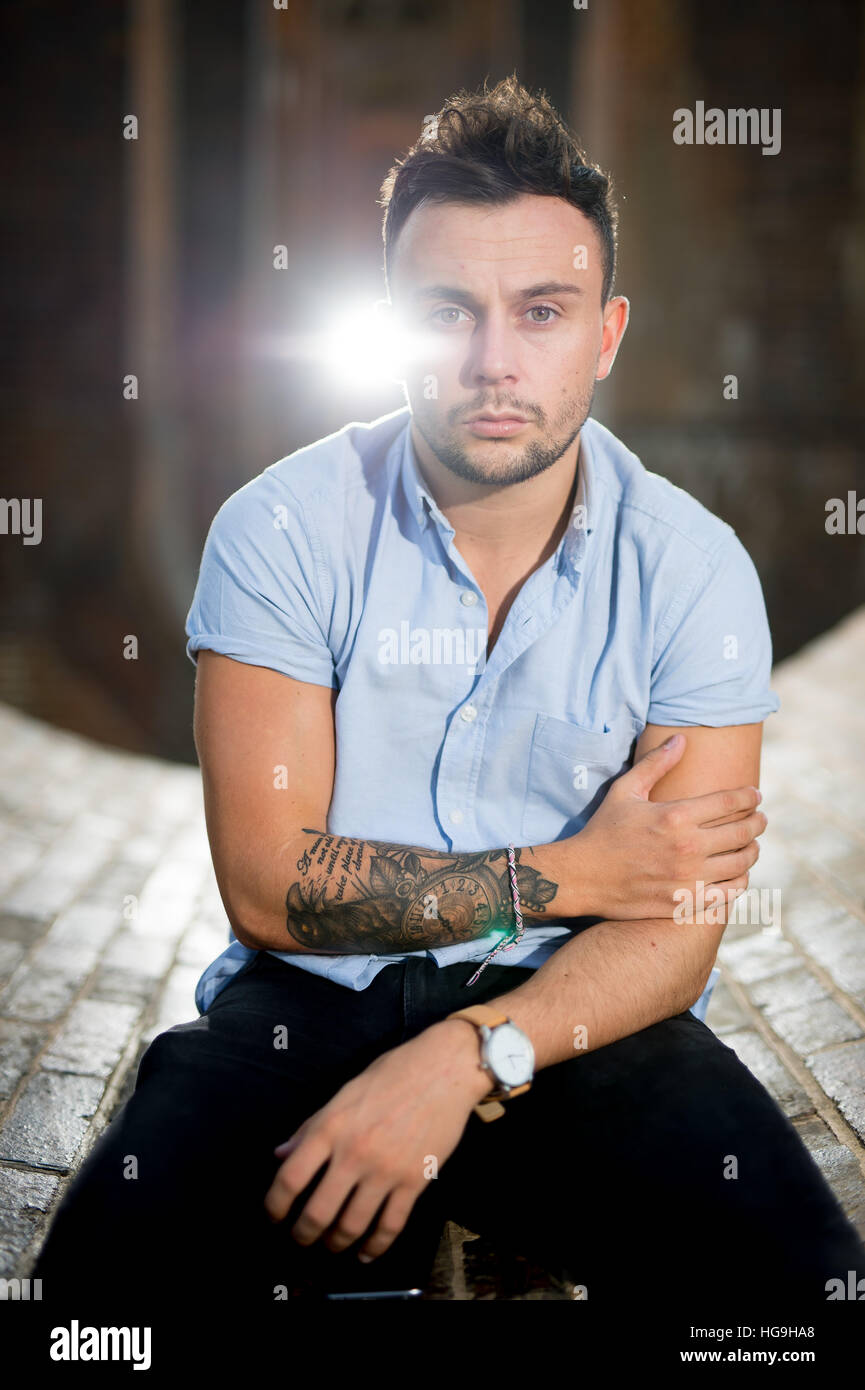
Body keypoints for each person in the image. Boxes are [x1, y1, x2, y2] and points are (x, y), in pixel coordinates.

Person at [33, 75, 864, 1316]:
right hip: (306, 1005)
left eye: (540, 312)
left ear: (605, 332)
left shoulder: (692, 570)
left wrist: (472, 1053)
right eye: (445, 312)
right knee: (97, 1302)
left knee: (802, 1292)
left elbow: (677, 928)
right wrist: (572, 871)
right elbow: (270, 890)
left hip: (573, 1016)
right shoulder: (281, 528)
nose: (491, 361)